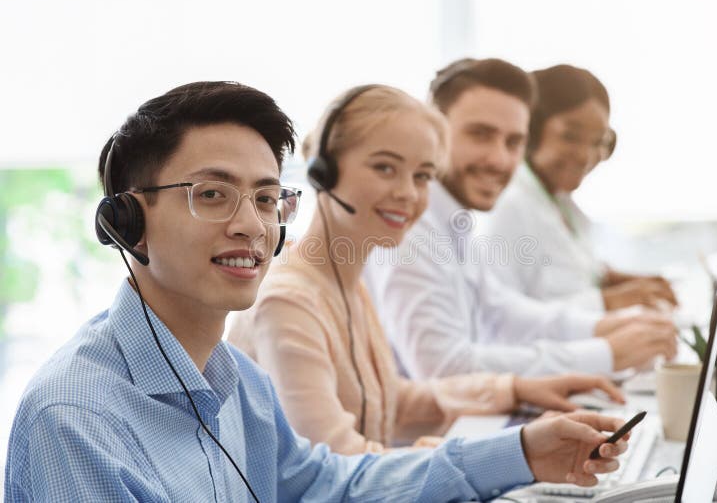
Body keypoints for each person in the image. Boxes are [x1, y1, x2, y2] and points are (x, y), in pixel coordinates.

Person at [5, 81, 629, 502]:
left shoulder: (236, 383)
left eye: (267, 196)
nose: (252, 223)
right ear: (128, 222)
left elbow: (334, 482)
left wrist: (519, 453)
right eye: (213, 193)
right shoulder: (78, 422)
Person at [228, 84, 626, 455]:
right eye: (385, 168)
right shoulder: (289, 302)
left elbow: (386, 400)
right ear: (323, 171)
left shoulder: (344, 283)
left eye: (422, 176)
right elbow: (336, 462)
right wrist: (512, 453)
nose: (408, 193)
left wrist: (515, 389)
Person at [366, 59, 678, 380]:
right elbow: (444, 370)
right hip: (432, 427)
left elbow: (502, 313)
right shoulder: (410, 228)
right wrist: (606, 352)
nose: (499, 159)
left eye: (513, 142)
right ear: (432, 132)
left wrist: (605, 325)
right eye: (480, 134)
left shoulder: (453, 222)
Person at [484, 64, 677, 311]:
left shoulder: (559, 202)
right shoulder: (509, 205)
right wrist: (609, 301)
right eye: (570, 136)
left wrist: (613, 281)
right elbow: (505, 318)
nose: (586, 157)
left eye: (598, 142)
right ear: (530, 130)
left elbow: (564, 278)